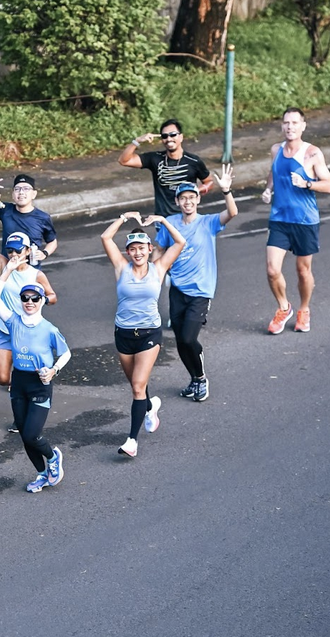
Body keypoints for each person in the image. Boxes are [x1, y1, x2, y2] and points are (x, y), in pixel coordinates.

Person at [99, 212, 187, 458]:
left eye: (142, 248)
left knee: (138, 386)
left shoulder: (159, 268)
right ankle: (150, 407)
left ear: (149, 249)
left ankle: (132, 441)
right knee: (136, 385)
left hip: (149, 334)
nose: (137, 253)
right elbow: (105, 237)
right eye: (133, 249)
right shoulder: (121, 268)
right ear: (128, 252)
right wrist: (123, 217)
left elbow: (180, 242)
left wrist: (163, 221)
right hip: (123, 334)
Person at [155, 166, 239, 403]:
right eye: (183, 198)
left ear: (198, 200)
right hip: (177, 290)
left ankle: (201, 378)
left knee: (189, 338)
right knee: (180, 341)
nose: (188, 202)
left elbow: (232, 212)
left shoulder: (208, 222)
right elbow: (159, 249)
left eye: (192, 197)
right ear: (177, 201)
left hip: (200, 292)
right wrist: (152, 276)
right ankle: (194, 379)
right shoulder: (170, 223)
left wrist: (226, 191)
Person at [0, 267, 71, 493]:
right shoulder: (13, 321)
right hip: (18, 383)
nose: (29, 302)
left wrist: (54, 370)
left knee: (32, 434)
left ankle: (53, 457)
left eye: (35, 298)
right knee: (25, 435)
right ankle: (42, 474)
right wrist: (8, 270)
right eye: (25, 298)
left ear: (42, 301)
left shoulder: (49, 329)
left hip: (40, 384)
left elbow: (66, 353)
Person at [260, 106, 330, 334]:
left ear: (303, 126)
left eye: (294, 123)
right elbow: (274, 172)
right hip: (279, 219)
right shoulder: (276, 150)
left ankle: (304, 309)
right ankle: (284, 307)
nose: (289, 127)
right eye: (286, 123)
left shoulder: (312, 153)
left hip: (304, 220)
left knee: (303, 271)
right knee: (272, 270)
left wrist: (307, 183)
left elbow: (329, 185)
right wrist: (268, 189)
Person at [0, 196, 57, 388]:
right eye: (10, 250)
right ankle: (19, 384)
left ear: (27, 251)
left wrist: (41, 300)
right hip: (6, 330)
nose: (13, 255)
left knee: (33, 375)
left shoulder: (36, 275)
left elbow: (53, 296)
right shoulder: (2, 265)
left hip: (29, 331)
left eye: (18, 251)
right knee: (3, 379)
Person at [118, 119, 212, 217]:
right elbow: (124, 160)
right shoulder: (155, 158)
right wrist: (137, 141)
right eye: (164, 136)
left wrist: (196, 190)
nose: (169, 139)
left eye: (173, 135)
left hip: (187, 218)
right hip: (163, 219)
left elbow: (209, 182)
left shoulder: (193, 161)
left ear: (181, 137)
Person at [0, 173, 57, 265]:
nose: (21, 192)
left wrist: (45, 253)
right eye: (17, 189)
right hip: (7, 268)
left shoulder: (43, 218)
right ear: (13, 194)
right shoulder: (4, 209)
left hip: (31, 269)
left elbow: (52, 241)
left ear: (34, 194)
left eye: (26, 189)